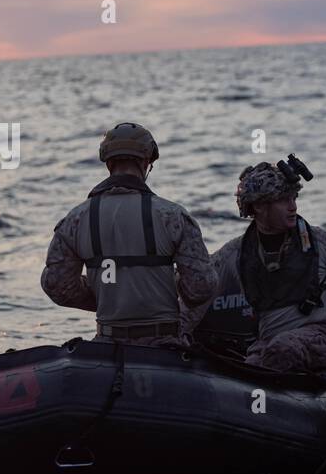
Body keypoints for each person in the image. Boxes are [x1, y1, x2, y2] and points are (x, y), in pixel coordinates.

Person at [206, 156, 326, 372]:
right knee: (252, 365)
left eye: (294, 198)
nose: (293, 207)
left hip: (325, 338)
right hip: (269, 344)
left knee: (281, 349)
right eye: (284, 200)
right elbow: (198, 285)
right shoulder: (235, 254)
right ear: (259, 206)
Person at [40, 122, 216, 347]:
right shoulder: (173, 216)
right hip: (165, 347)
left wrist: (109, 293)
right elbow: (201, 288)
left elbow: (57, 286)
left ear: (109, 163)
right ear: (146, 162)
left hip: (107, 344)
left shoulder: (76, 220)